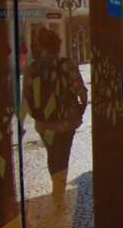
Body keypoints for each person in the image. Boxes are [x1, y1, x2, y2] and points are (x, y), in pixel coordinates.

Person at [23, 29, 88, 202]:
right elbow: (82, 93)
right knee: (63, 153)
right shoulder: (68, 65)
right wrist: (80, 112)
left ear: (40, 46)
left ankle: (56, 187)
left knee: (52, 154)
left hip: (45, 124)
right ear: (58, 46)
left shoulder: (32, 69)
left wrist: (33, 117)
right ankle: (59, 189)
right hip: (67, 121)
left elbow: (26, 99)